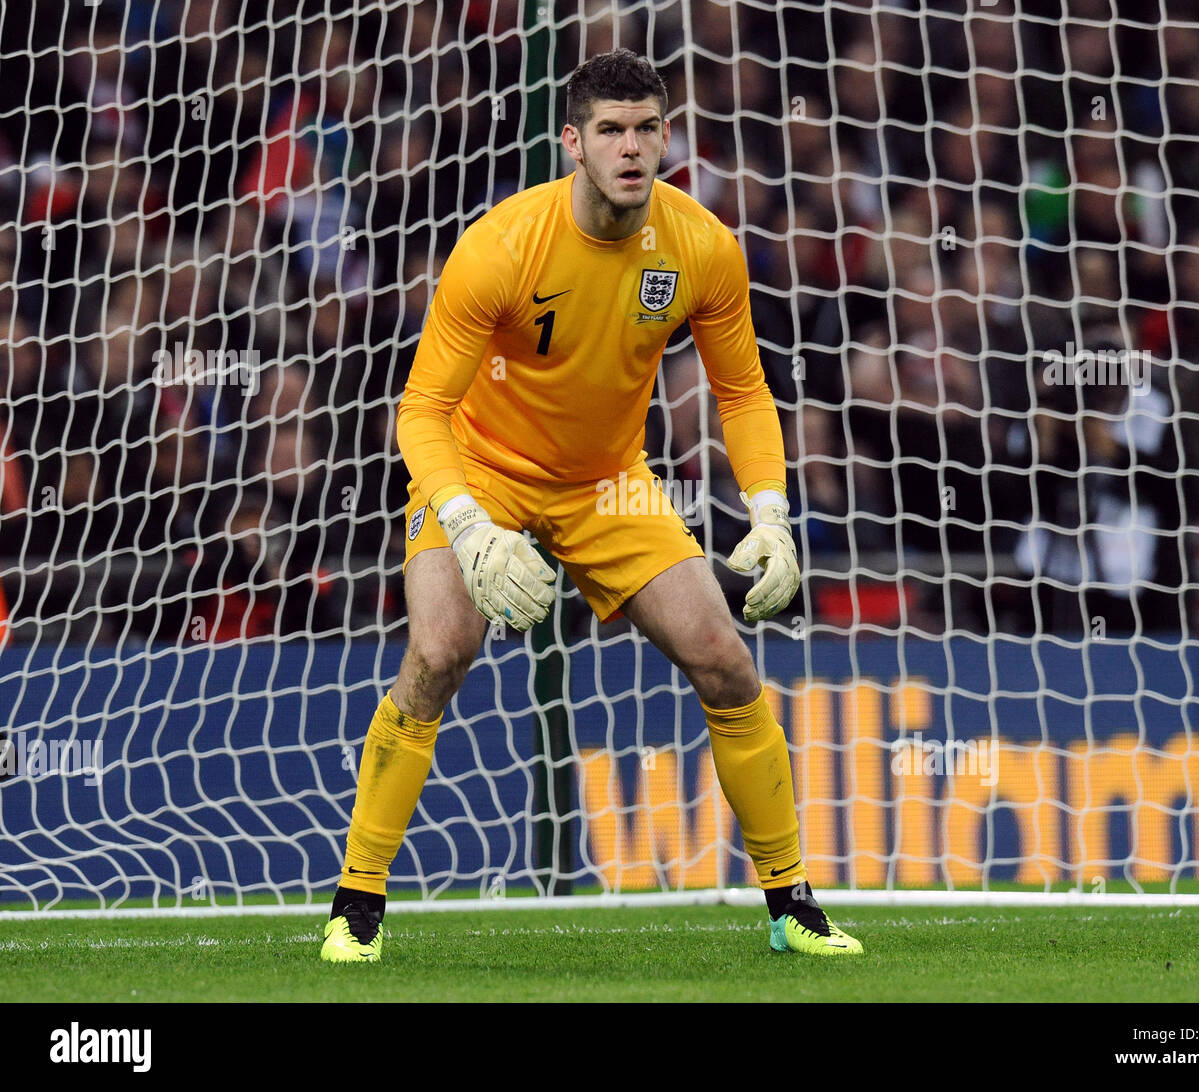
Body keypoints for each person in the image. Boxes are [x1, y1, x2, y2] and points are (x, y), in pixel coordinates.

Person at [320, 49, 862, 961]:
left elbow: (743, 393)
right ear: (571, 140)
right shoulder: (502, 245)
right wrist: (470, 530)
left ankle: (791, 904)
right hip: (482, 474)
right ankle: (356, 904)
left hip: (607, 483)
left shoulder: (700, 247)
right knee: (439, 652)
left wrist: (769, 514)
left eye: (648, 127)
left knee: (724, 662)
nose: (632, 147)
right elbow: (420, 411)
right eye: (609, 129)